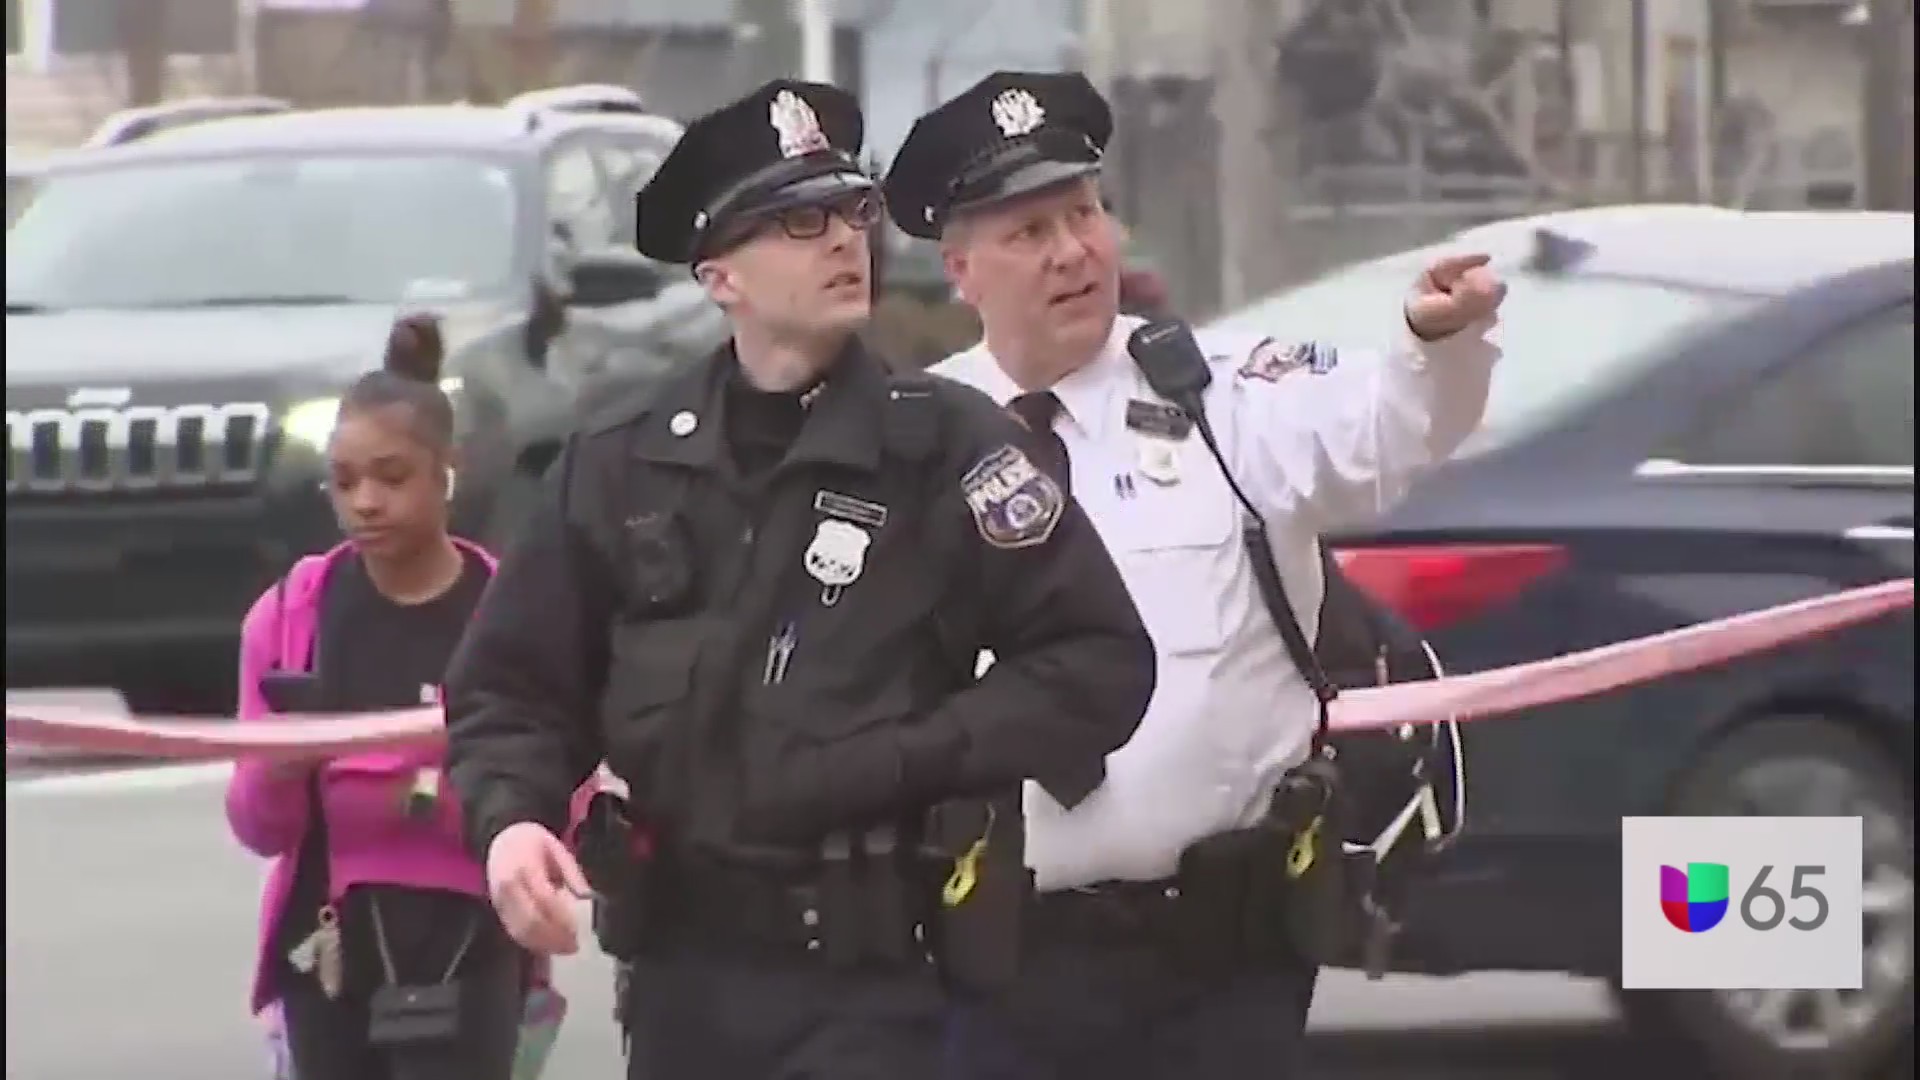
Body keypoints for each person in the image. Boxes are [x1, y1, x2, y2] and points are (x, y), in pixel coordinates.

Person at [439, 78, 1157, 1080]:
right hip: (687, 981)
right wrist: (513, 820)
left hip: (879, 982)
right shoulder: (623, 465)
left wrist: (912, 755)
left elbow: (1098, 664)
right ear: (720, 274)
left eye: (855, 212)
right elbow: (511, 690)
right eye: (800, 222)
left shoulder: (947, 448)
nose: (844, 242)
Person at [884, 71, 1508, 1080]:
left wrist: (1435, 345)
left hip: (1223, 960)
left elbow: (1390, 429)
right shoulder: (908, 442)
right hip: (990, 957)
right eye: (1030, 232)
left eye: (1083, 213)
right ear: (962, 269)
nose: (1071, 251)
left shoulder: (1222, 399)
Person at [225, 314, 538, 1080]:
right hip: (327, 954)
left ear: (447, 472)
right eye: (343, 481)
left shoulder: (510, 614)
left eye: (391, 478)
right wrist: (285, 762)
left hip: (471, 953)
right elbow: (258, 827)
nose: (364, 501)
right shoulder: (292, 614)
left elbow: (554, 790)